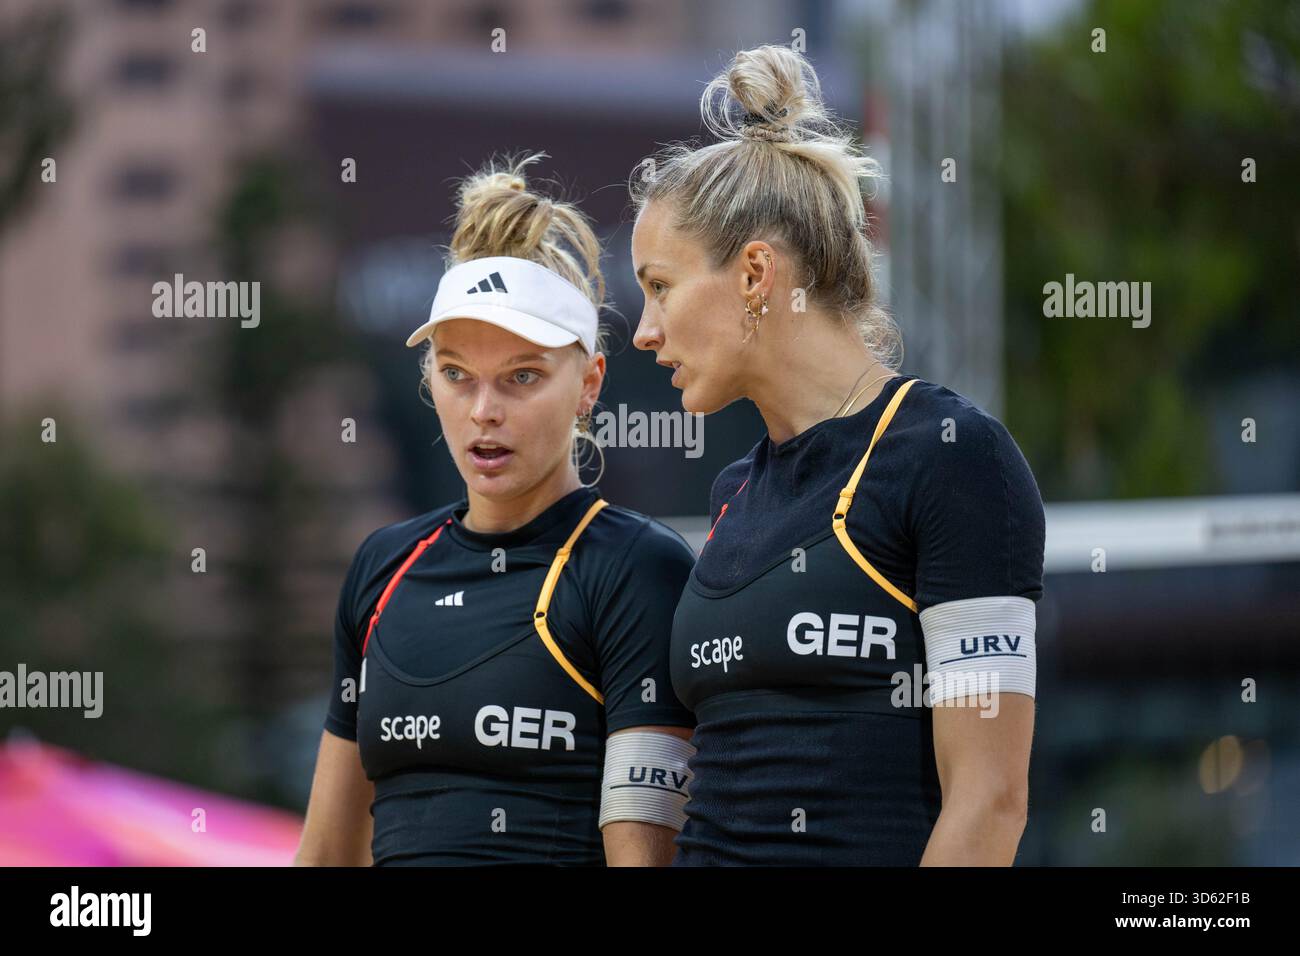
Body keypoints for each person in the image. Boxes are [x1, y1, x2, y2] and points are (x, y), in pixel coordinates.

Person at [629, 45, 1045, 865]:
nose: (645, 331)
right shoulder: (735, 492)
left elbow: (991, 803)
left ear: (755, 273)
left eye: (660, 287)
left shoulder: (953, 459)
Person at [296, 153, 697, 866]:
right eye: (456, 375)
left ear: (588, 383)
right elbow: (327, 852)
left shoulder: (636, 569)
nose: (484, 412)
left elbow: (648, 857)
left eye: (522, 377)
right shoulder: (384, 569)